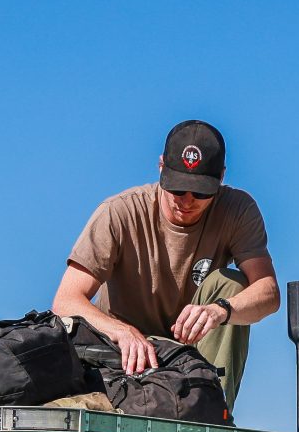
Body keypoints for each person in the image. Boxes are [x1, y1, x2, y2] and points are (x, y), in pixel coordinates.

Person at [52, 119, 279, 410]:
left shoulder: (238, 210)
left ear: (221, 178)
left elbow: (268, 292)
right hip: (125, 357)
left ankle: (212, 412)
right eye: (178, 189)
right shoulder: (119, 212)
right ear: (161, 168)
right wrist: (121, 332)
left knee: (231, 285)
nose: (187, 201)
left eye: (200, 192)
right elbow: (65, 301)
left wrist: (219, 310)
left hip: (191, 356)